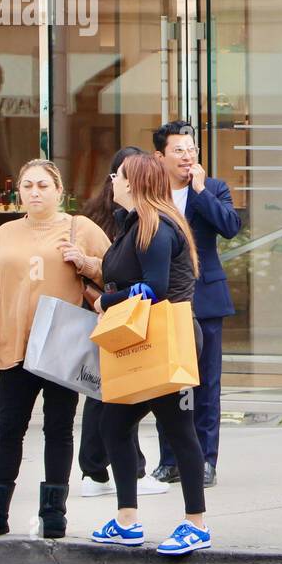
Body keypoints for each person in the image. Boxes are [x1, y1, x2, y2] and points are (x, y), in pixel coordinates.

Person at [0, 159, 110, 541]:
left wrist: (87, 262)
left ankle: (54, 513)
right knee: (8, 431)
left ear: (59, 191)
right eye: (27, 186)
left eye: (43, 185)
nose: (35, 192)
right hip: (14, 348)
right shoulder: (4, 234)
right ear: (19, 193)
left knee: (59, 431)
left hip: (61, 348)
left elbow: (118, 272)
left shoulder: (82, 229)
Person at [91, 154, 212, 555]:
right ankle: (127, 520)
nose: (113, 180)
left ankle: (196, 524)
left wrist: (108, 300)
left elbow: (154, 288)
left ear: (135, 183)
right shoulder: (133, 226)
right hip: (142, 340)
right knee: (113, 424)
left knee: (179, 430)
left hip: (166, 339)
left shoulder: (155, 227)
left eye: (119, 176)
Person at [150, 121, 241, 488]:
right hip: (165, 300)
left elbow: (231, 226)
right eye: (179, 150)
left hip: (205, 299)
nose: (187, 156)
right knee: (166, 384)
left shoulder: (214, 188)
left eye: (191, 150)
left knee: (206, 385)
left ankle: (205, 461)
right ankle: (170, 460)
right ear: (160, 157)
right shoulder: (152, 194)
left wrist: (201, 190)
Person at [75, 145, 169, 499]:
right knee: (113, 395)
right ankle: (109, 473)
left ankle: (102, 473)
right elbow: (139, 281)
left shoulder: (139, 221)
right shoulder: (119, 221)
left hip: (117, 313)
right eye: (119, 174)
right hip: (117, 317)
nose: (116, 181)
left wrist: (103, 292)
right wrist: (104, 297)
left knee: (110, 395)